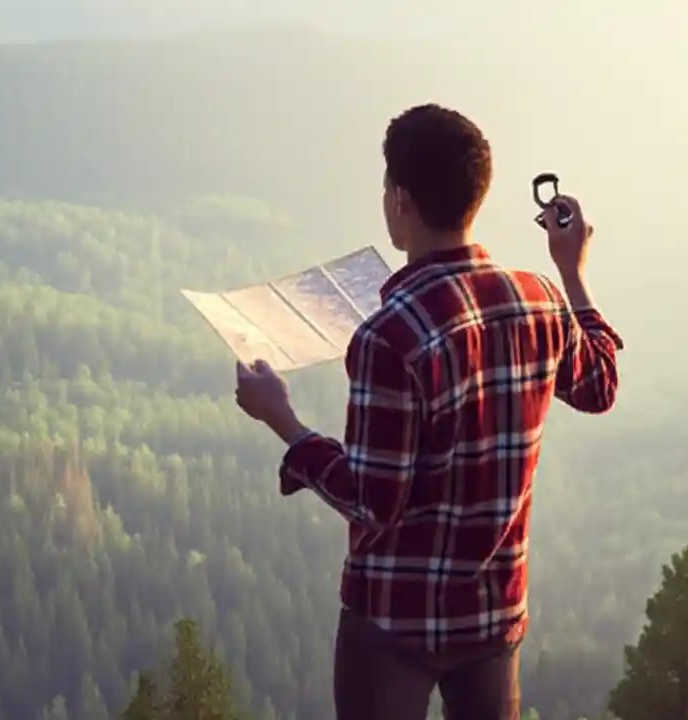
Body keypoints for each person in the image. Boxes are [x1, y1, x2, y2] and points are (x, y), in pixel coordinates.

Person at [234, 103, 624, 720]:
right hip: (494, 613)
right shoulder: (541, 302)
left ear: (401, 201)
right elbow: (600, 385)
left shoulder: (387, 337)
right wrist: (571, 272)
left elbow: (371, 501)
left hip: (393, 620)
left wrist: (281, 419)